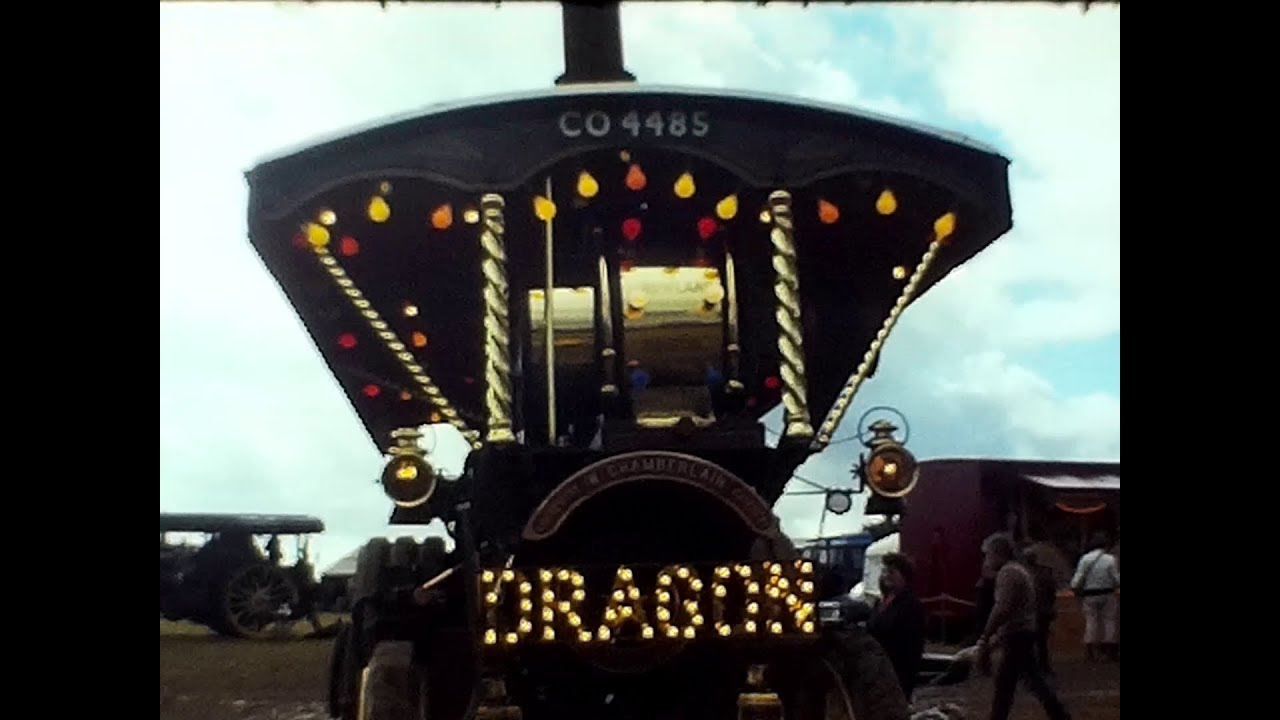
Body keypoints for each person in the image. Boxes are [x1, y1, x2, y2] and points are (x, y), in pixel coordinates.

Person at [976, 534, 1070, 720]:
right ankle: (1059, 714)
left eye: (988, 555)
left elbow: (1002, 608)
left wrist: (987, 634)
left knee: (1016, 681)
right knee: (1019, 680)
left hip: (1017, 633)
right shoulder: (1018, 570)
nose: (986, 560)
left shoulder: (1008, 573)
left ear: (998, 553)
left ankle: (1059, 715)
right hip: (1022, 631)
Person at [867, 552, 927, 701]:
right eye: (884, 571)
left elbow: (912, 645)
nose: (886, 576)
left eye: (891, 572)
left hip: (898, 670)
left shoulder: (911, 605)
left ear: (903, 576)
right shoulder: (879, 603)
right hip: (877, 668)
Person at [1070, 532, 1121, 661]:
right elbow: (1116, 579)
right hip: (1107, 593)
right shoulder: (1111, 559)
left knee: (1091, 621)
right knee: (1109, 621)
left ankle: (1090, 652)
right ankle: (1109, 651)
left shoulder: (1085, 559)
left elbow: (1077, 579)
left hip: (1090, 595)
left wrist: (1075, 588)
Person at [1022, 548, 1058, 675]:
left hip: (1027, 612)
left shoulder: (1021, 573)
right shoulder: (1045, 572)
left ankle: (1029, 668)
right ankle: (1044, 666)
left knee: (1028, 642)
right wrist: (1051, 606)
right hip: (1043, 611)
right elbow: (1052, 592)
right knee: (1042, 641)